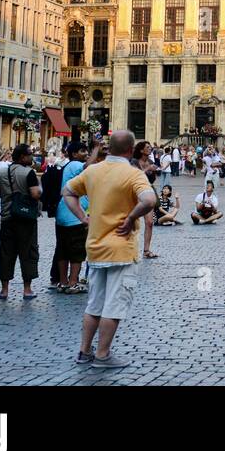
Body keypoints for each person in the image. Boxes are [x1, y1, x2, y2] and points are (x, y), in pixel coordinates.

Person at [62, 130, 158, 369]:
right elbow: (149, 200)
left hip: (95, 246)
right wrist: (131, 217)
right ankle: (103, 354)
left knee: (94, 304)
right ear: (130, 150)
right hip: (121, 250)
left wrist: (83, 217)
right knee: (114, 305)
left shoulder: (92, 171)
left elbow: (67, 192)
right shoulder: (133, 174)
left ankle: (84, 351)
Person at [0, 143, 43, 301]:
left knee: (6, 253)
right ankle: (27, 289)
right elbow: (35, 194)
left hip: (7, 217)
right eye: (30, 154)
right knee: (27, 252)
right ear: (23, 157)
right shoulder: (29, 173)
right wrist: (41, 189)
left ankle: (4, 290)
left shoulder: (1, 172)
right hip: (26, 218)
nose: (32, 157)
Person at [54, 144, 90, 295]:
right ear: (74, 154)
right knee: (77, 251)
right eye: (83, 151)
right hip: (74, 216)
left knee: (62, 250)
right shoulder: (76, 165)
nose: (86, 153)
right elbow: (90, 167)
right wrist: (97, 150)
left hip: (62, 214)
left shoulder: (68, 166)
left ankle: (62, 282)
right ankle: (73, 282)